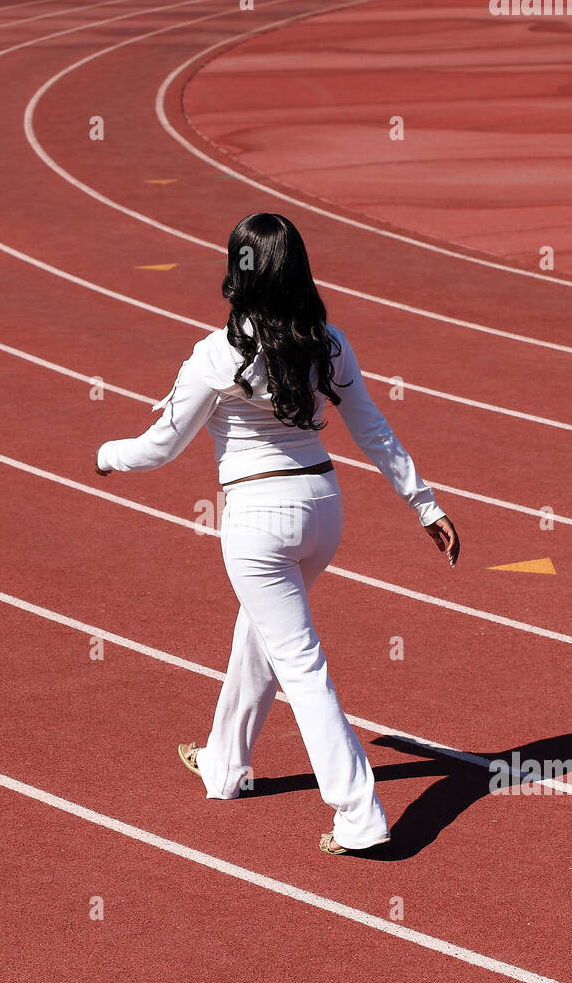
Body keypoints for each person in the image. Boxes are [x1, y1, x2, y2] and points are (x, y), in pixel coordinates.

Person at [95, 213, 460, 855]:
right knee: (261, 636)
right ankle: (224, 766)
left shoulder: (216, 354)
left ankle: (360, 816)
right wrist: (425, 505)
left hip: (257, 521)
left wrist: (106, 453)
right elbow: (372, 428)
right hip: (323, 511)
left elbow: (158, 449)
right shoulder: (329, 342)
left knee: (300, 665)